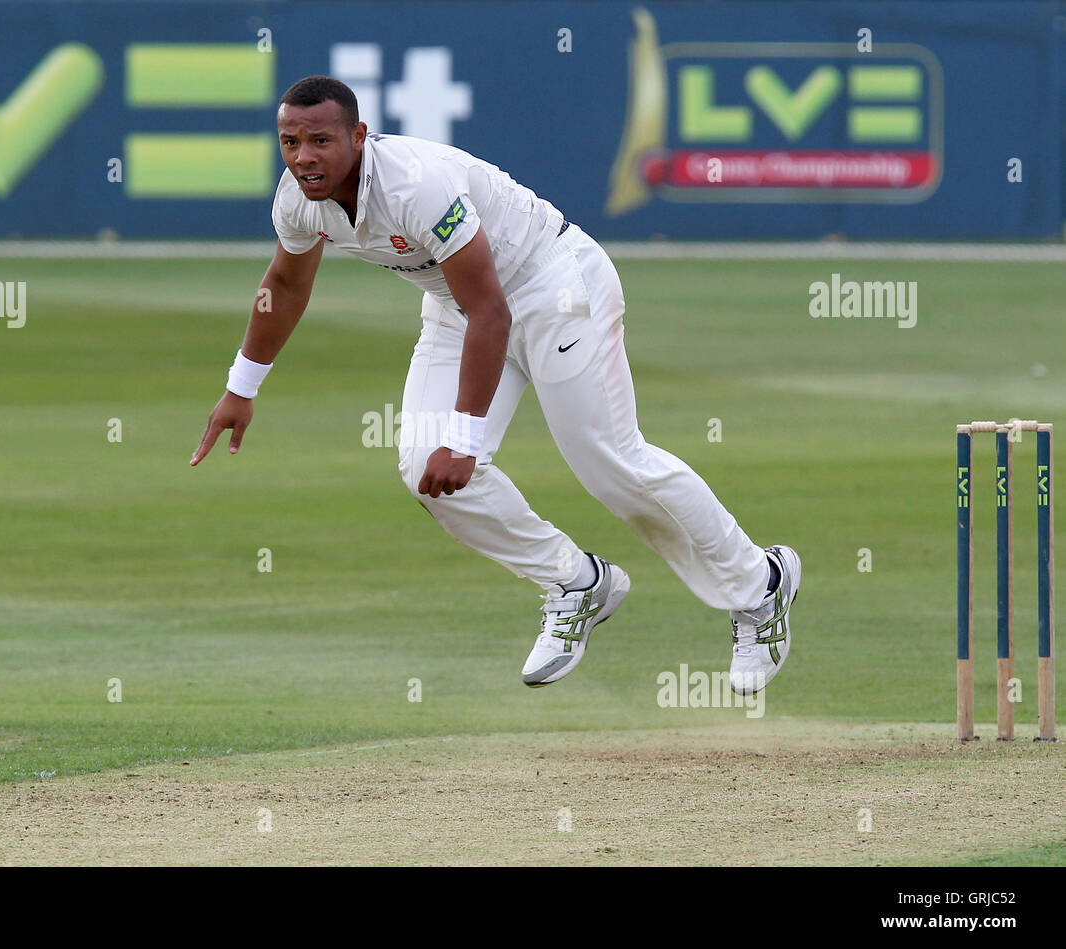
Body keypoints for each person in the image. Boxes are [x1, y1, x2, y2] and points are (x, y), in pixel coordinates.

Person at [191, 75, 800, 693]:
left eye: (320, 140)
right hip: (459, 307)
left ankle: (760, 587)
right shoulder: (297, 200)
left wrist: (466, 436)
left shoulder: (416, 185)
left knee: (609, 462)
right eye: (290, 142)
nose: (303, 157)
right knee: (427, 470)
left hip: (554, 285)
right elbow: (287, 284)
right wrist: (242, 387)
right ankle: (577, 582)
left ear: (358, 136)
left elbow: (493, 311)